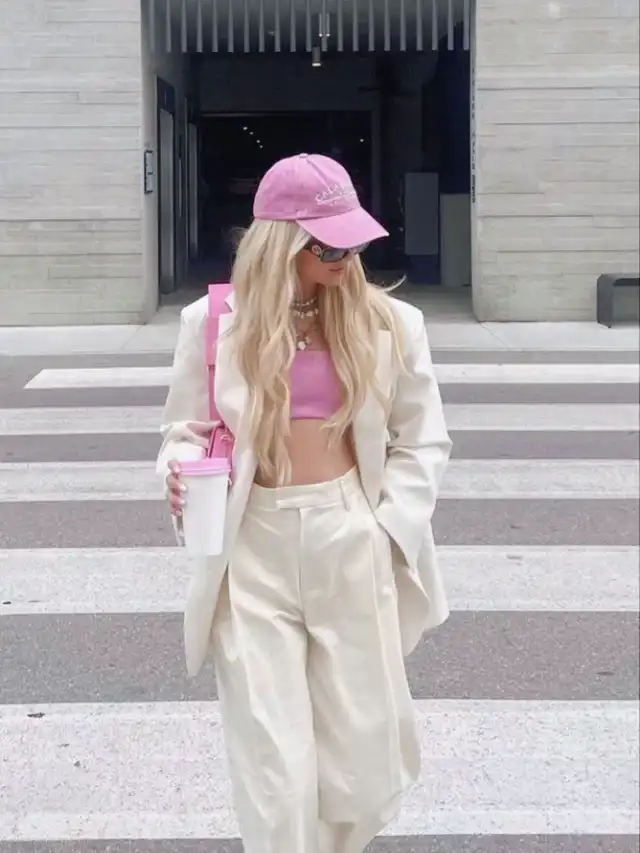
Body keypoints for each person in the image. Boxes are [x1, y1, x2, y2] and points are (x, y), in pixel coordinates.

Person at [157, 153, 452, 853]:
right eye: (329, 247)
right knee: (275, 769)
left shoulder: (392, 323)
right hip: (252, 543)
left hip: (348, 532)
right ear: (282, 242)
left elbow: (422, 438)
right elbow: (184, 430)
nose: (346, 259)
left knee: (364, 764)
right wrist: (180, 471)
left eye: (352, 244)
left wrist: (386, 529)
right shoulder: (211, 321)